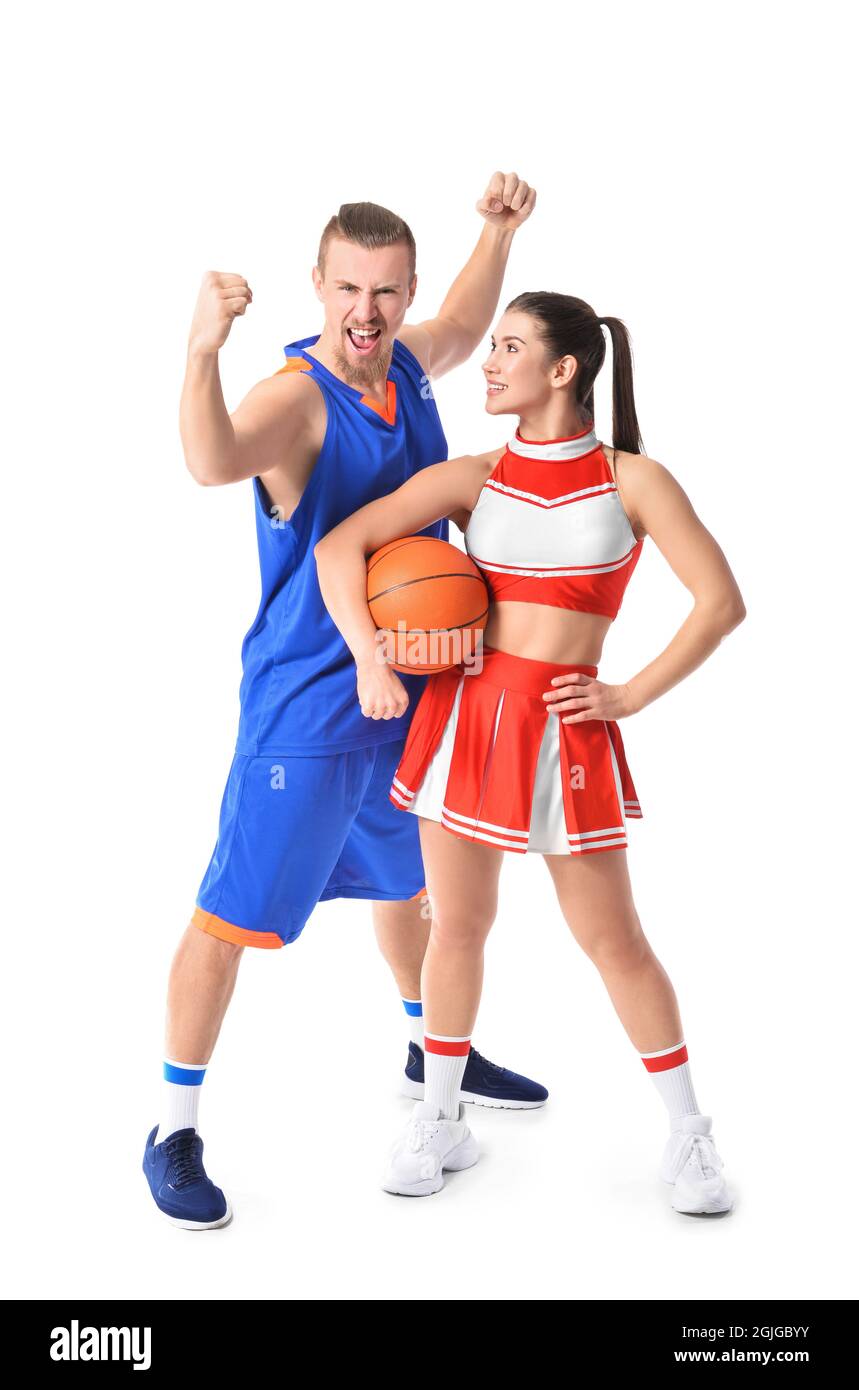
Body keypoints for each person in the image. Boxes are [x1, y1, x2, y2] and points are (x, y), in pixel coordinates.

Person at [142, 176, 551, 1231]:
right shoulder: (296, 398)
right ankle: (172, 1125)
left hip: (415, 695)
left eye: (385, 290)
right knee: (229, 917)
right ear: (316, 287)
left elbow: (463, 319)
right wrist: (198, 355)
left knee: (408, 886)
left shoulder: (409, 360)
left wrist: (495, 232)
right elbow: (208, 460)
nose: (366, 310)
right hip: (311, 709)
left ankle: (431, 1045)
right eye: (347, 289)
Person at [314, 291, 747, 1216]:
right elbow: (342, 546)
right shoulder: (475, 475)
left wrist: (627, 694)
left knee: (613, 941)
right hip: (464, 723)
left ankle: (687, 1136)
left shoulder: (634, 479)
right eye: (490, 345)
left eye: (508, 347)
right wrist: (372, 654)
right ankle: (441, 1117)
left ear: (564, 370)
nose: (489, 361)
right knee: (457, 928)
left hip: (567, 732)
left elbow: (719, 603)